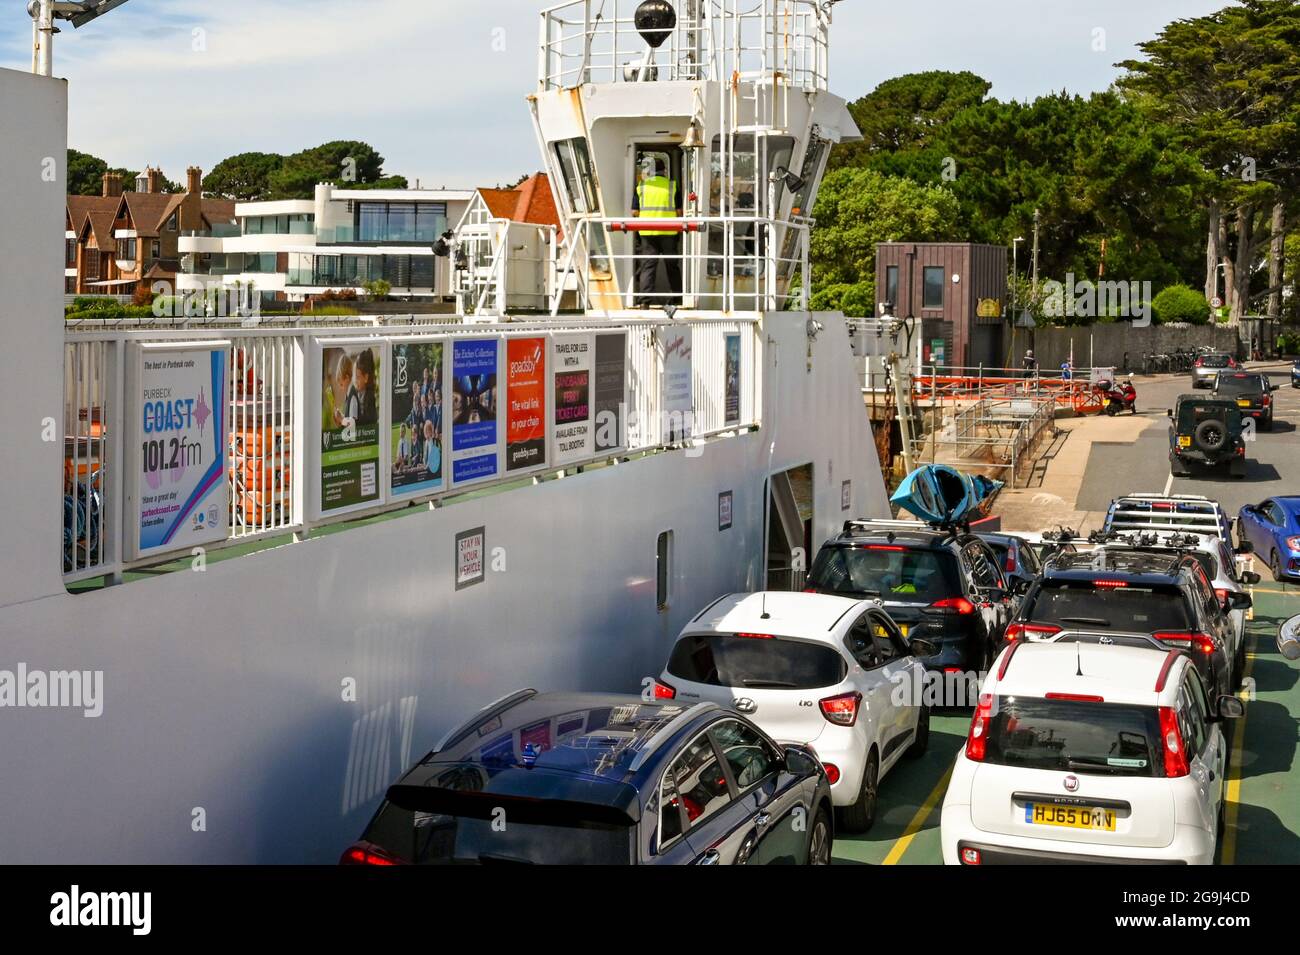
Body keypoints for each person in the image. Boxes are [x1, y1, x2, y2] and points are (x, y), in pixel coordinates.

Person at [632, 156, 682, 308]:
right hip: (669, 232)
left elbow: (634, 212)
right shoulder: (672, 186)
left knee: (648, 267)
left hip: (647, 233)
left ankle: (644, 302)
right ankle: (677, 298)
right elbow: (679, 212)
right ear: (664, 170)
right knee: (672, 266)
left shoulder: (641, 186)